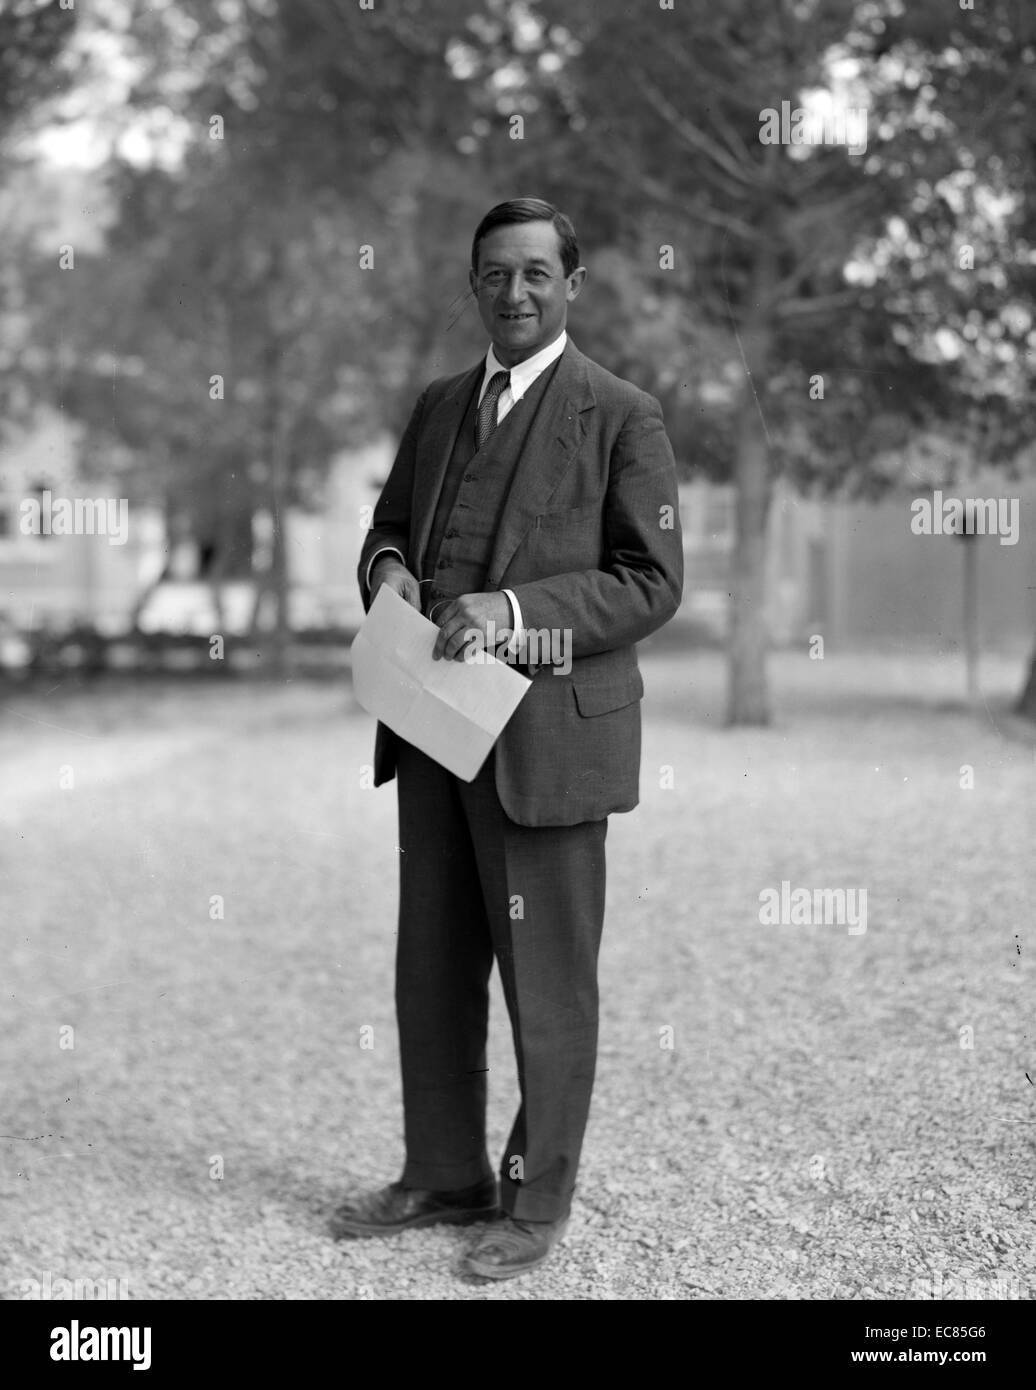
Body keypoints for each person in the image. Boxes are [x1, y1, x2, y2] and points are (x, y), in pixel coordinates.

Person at [334, 197, 683, 1280]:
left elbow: (652, 581)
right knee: (432, 964)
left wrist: (517, 614)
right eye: (496, 274)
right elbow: (389, 529)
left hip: (547, 743)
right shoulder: (440, 405)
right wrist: (386, 571)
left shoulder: (623, 414)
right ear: (474, 286)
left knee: (546, 979)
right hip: (432, 732)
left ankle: (534, 1203)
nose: (516, 292)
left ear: (571, 284)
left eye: (537, 273)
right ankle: (444, 1174)